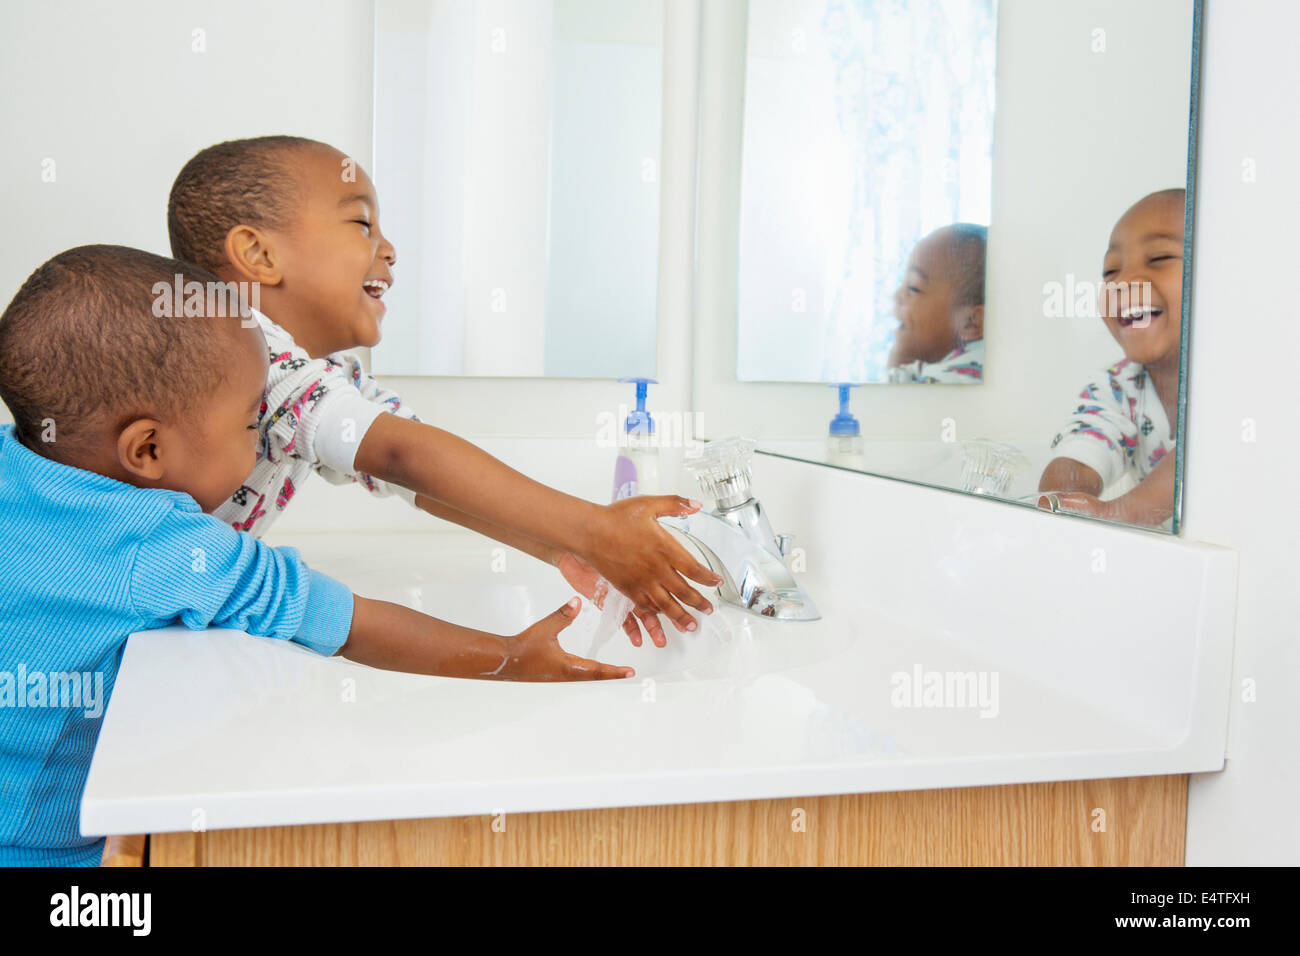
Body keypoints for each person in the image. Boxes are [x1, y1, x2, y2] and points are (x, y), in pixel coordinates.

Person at [0, 246, 632, 866]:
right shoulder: (164, 547)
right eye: (251, 425)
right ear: (146, 451)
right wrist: (510, 659)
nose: (261, 446)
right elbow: (348, 623)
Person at [167, 136, 721, 649]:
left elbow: (410, 473)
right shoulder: (232, 341)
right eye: (362, 223)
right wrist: (596, 529)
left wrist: (560, 547)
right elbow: (401, 454)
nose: (389, 247)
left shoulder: (326, 373)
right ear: (260, 256)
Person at [1038, 189, 1185, 527]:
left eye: (1160, 257)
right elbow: (1083, 445)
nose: (1124, 282)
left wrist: (1119, 512)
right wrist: (1062, 503)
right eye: (1110, 272)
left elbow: (1196, 463)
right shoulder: (1117, 386)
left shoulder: (1239, 379)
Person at [887, 223, 987, 384]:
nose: (897, 295)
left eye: (913, 287)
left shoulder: (953, 379)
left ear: (971, 322)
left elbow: (895, 406)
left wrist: (897, 362)